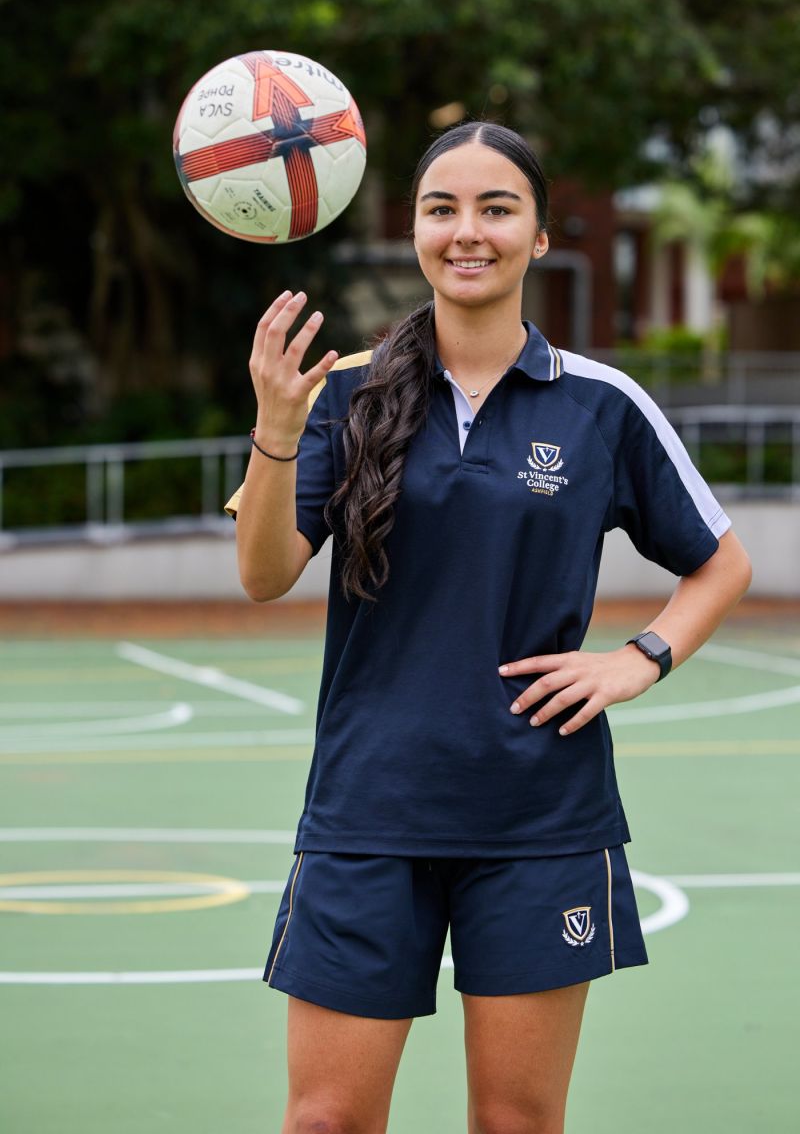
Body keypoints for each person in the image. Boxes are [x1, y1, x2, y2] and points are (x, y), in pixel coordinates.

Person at [224, 121, 752, 1134]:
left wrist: (637, 660)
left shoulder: (600, 404)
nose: (466, 232)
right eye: (440, 209)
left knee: (515, 1122)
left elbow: (718, 563)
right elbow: (261, 575)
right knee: (324, 1121)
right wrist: (276, 433)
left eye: (495, 208)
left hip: (538, 819)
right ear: (416, 232)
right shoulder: (342, 393)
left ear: (539, 236)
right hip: (368, 810)